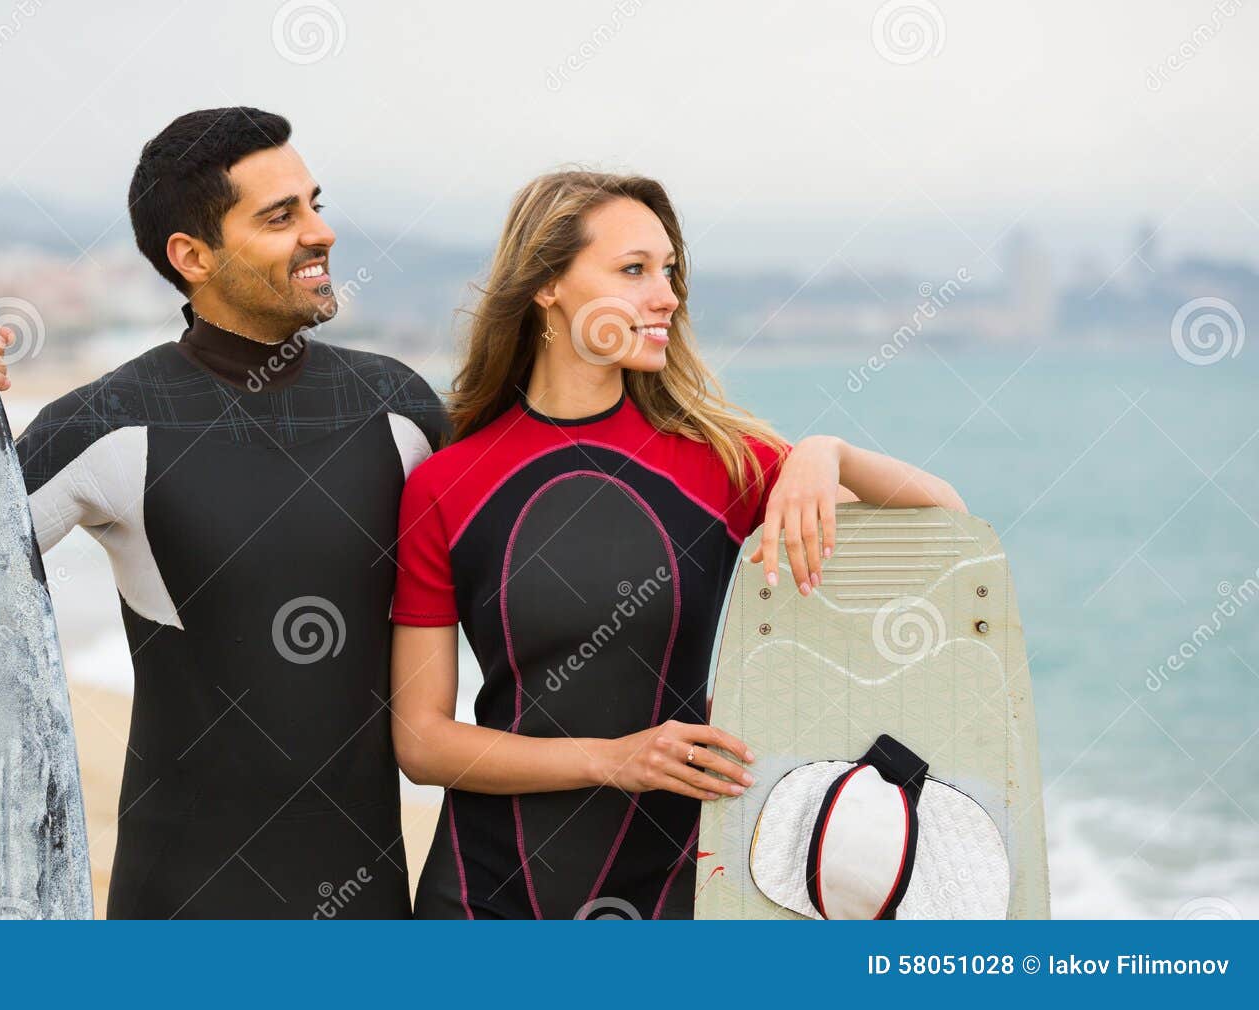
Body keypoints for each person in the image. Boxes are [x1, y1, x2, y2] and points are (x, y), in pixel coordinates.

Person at [0, 107, 447, 918]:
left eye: (316, 203)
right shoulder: (115, 419)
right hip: (178, 909)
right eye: (282, 216)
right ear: (192, 256)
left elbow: (520, 602)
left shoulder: (398, 406)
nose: (321, 233)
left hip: (370, 912)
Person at [389, 170, 967, 919]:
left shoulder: (725, 465)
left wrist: (830, 454)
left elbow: (948, 529)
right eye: (633, 270)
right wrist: (615, 757)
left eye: (668, 271)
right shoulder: (446, 484)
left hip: (681, 893)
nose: (666, 295)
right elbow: (423, 742)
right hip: (483, 899)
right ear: (546, 286)